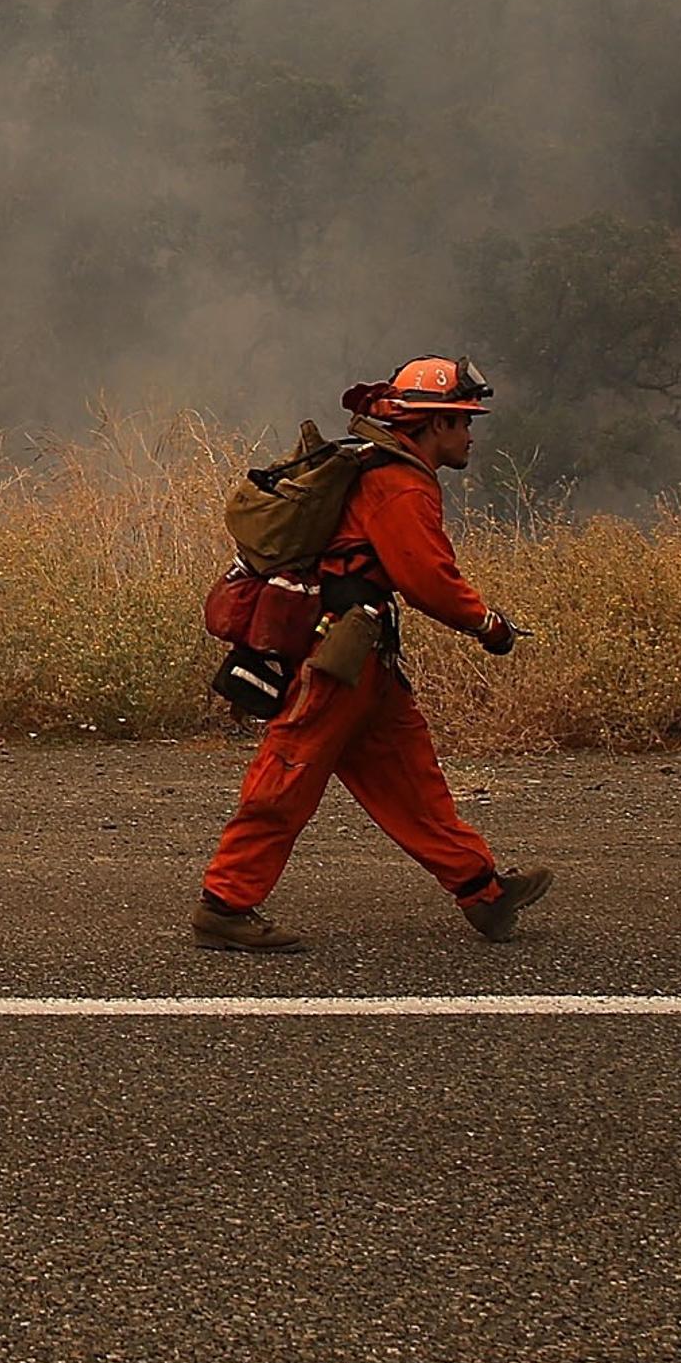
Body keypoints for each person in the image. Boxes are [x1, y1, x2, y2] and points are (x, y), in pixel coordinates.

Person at [193, 355, 552, 951]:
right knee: (291, 768)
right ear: (433, 425)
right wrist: (490, 625)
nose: (470, 435)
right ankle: (225, 903)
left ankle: (483, 893)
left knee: (410, 777)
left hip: (362, 656)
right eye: (463, 422)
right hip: (336, 655)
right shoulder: (400, 485)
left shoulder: (384, 470)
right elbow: (428, 579)